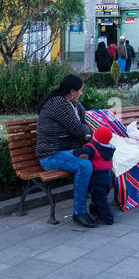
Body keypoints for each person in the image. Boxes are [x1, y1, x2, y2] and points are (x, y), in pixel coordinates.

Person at [35, 74, 99, 228]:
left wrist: (86, 131)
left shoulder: (72, 104)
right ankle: (79, 212)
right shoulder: (58, 105)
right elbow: (78, 129)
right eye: (80, 90)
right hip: (50, 155)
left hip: (66, 151)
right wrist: (88, 131)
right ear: (72, 91)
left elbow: (81, 126)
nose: (81, 93)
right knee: (85, 166)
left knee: (98, 158)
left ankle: (97, 204)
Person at [71, 126, 116, 226]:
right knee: (99, 196)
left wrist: (73, 151)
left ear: (95, 136)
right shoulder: (109, 148)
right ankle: (95, 210)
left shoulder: (92, 146)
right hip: (108, 176)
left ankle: (109, 218)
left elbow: (83, 154)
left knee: (101, 199)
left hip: (98, 177)